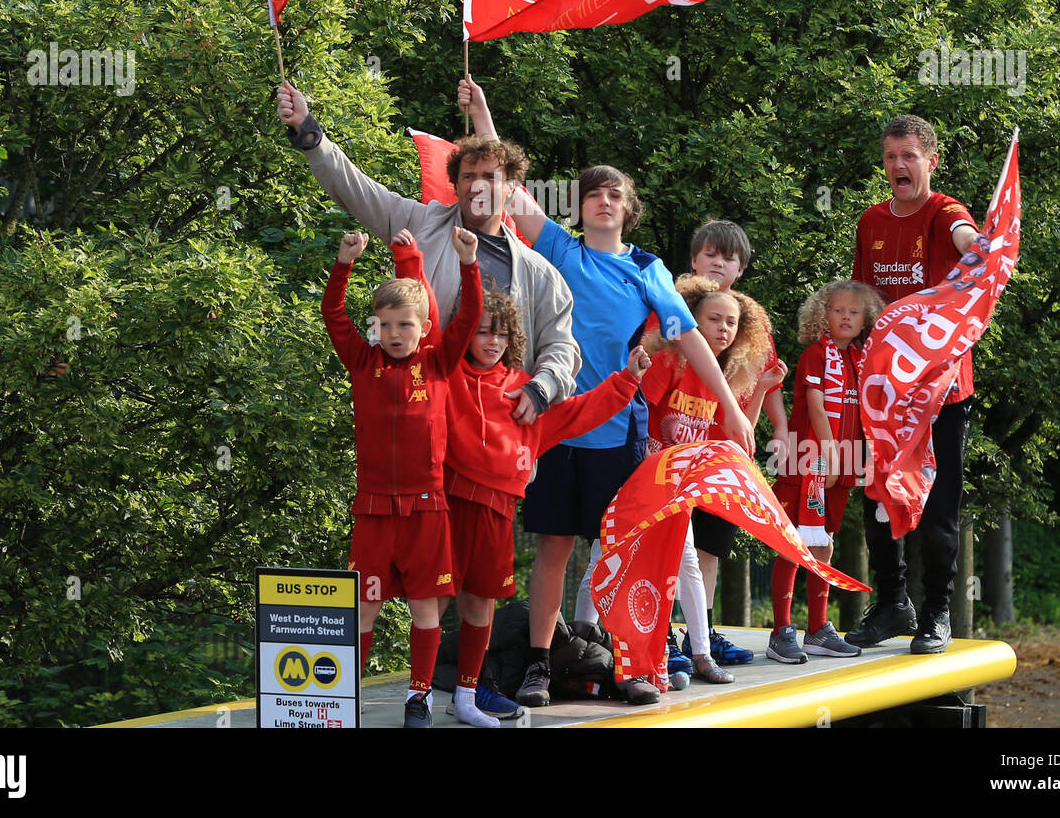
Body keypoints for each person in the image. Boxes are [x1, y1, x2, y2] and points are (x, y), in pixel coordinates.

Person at [460, 78, 756, 708]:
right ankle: (539, 664)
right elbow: (507, 185)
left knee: (622, 549)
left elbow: (691, 340)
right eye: (592, 193)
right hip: (555, 421)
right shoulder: (559, 249)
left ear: (629, 208)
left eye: (613, 195)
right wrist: (482, 110)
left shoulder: (648, 269)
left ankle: (629, 664)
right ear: (580, 207)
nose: (602, 201)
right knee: (553, 547)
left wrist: (731, 407)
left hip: (619, 428)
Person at [395, 240, 652, 724]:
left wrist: (628, 380)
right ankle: (420, 695)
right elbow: (426, 328)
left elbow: (580, 413)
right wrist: (411, 261)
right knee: (433, 599)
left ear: (512, 339)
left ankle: (468, 697)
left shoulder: (525, 391)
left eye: (500, 334)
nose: (490, 341)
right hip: (446, 507)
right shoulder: (444, 375)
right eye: (481, 332)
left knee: (480, 603)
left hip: (496, 513)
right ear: (466, 335)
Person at [277, 80, 579, 424]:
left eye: (489, 177)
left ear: (511, 190)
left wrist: (542, 387)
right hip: (418, 414)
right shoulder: (420, 223)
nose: (477, 184)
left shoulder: (538, 273)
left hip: (494, 428)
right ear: (456, 185)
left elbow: (561, 345)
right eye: (468, 176)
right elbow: (357, 190)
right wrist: (309, 133)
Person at [321, 225, 482, 728]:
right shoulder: (361, 360)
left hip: (426, 510)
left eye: (404, 325)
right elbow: (332, 314)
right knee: (363, 608)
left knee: (424, 610)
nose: (394, 334)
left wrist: (468, 263)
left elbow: (471, 316)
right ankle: (343, 696)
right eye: (385, 325)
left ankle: (419, 699)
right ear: (375, 327)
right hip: (372, 510)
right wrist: (344, 263)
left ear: (424, 327)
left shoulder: (439, 363)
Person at [847, 115, 979, 654]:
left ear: (931, 161)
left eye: (909, 156)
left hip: (942, 390)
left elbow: (965, 234)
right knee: (876, 499)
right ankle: (892, 603)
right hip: (883, 391)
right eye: (890, 157)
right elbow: (858, 295)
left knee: (937, 505)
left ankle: (937, 612)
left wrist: (977, 244)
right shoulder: (870, 220)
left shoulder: (944, 211)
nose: (898, 166)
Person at [640, 278, 785, 684]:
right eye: (713, 319)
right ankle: (647, 642)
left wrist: (763, 389)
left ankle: (697, 651)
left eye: (732, 322)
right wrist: (644, 464)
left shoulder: (728, 376)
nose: (723, 328)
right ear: (691, 321)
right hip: (652, 477)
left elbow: (740, 436)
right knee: (633, 559)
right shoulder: (671, 360)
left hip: (683, 486)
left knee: (686, 560)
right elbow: (638, 406)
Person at [676, 220, 790, 667]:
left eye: (730, 258)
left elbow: (769, 378)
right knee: (672, 546)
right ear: (694, 261)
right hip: (677, 447)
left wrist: (779, 428)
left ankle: (699, 635)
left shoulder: (752, 321)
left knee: (709, 547)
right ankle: (663, 633)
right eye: (711, 255)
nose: (720, 263)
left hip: (724, 450)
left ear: (741, 269)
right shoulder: (672, 308)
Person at [768, 280, 883, 663]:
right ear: (822, 314)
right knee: (792, 544)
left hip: (844, 463)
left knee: (824, 544)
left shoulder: (861, 359)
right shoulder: (816, 355)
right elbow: (816, 405)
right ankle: (781, 630)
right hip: (808, 461)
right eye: (838, 310)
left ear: (866, 319)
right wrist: (830, 452)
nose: (846, 316)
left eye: (854, 311)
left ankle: (817, 628)